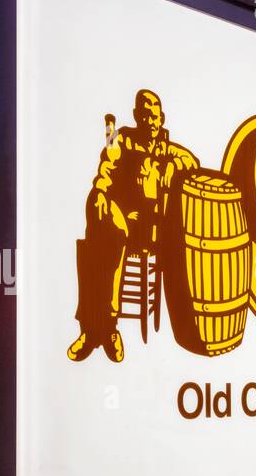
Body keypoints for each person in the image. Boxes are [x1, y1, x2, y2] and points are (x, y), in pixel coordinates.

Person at [68, 89, 199, 362]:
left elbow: (192, 162)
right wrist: (101, 191)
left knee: (99, 243)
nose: (152, 122)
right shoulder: (124, 138)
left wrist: (175, 166)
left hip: (148, 230)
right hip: (120, 220)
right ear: (137, 117)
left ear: (161, 119)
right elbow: (107, 162)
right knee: (96, 236)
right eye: (146, 116)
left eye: (156, 117)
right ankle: (101, 329)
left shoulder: (167, 148)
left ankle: (99, 329)